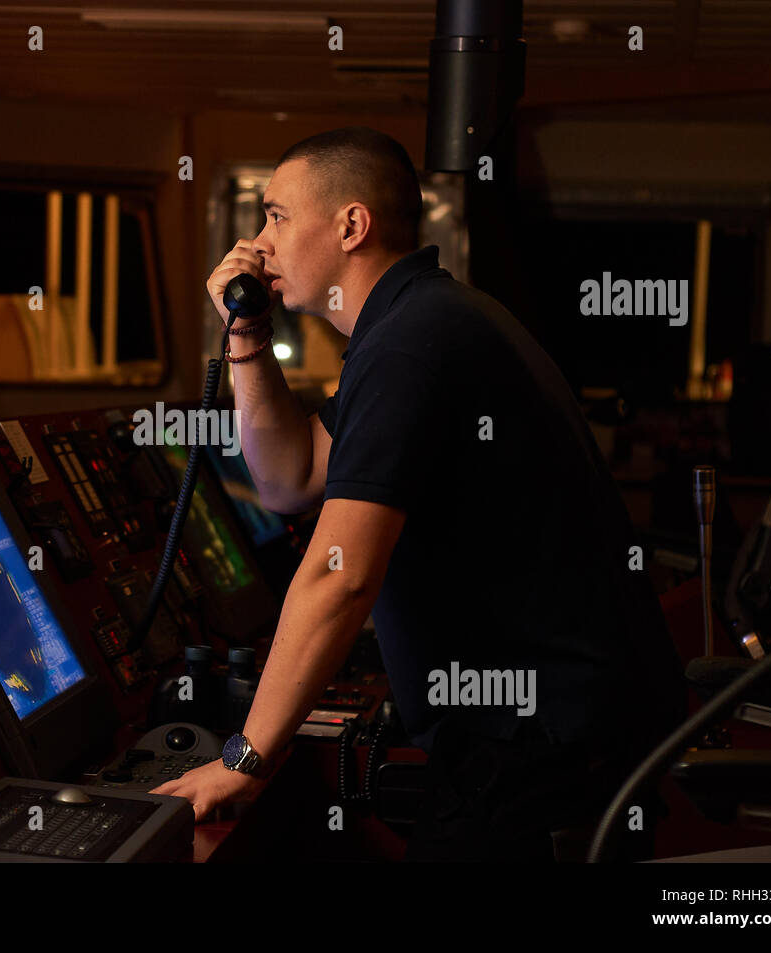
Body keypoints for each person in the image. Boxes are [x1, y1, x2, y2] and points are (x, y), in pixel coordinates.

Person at [149, 126, 686, 861]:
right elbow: (289, 477)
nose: (259, 242)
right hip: (545, 739)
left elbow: (342, 577)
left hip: (540, 753)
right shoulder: (416, 323)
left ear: (351, 224)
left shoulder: (412, 343)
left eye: (276, 215)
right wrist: (246, 335)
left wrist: (246, 757)